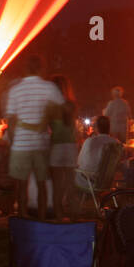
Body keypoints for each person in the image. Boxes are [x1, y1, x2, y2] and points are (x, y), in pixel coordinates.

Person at [2, 53, 64, 219]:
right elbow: (59, 114)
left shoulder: (15, 90)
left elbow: (12, 121)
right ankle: (42, 219)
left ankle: (23, 218)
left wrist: (13, 143)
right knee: (41, 183)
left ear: (25, 69)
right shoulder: (49, 88)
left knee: (21, 185)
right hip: (41, 143)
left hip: (20, 145)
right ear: (41, 68)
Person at [48, 74, 80, 218]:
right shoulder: (71, 105)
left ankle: (58, 215)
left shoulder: (50, 106)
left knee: (57, 185)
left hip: (56, 146)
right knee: (70, 183)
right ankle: (74, 214)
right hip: (70, 146)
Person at [76, 115, 121, 186]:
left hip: (89, 181)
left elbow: (80, 163)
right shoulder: (117, 144)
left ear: (96, 128)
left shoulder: (90, 141)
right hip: (107, 182)